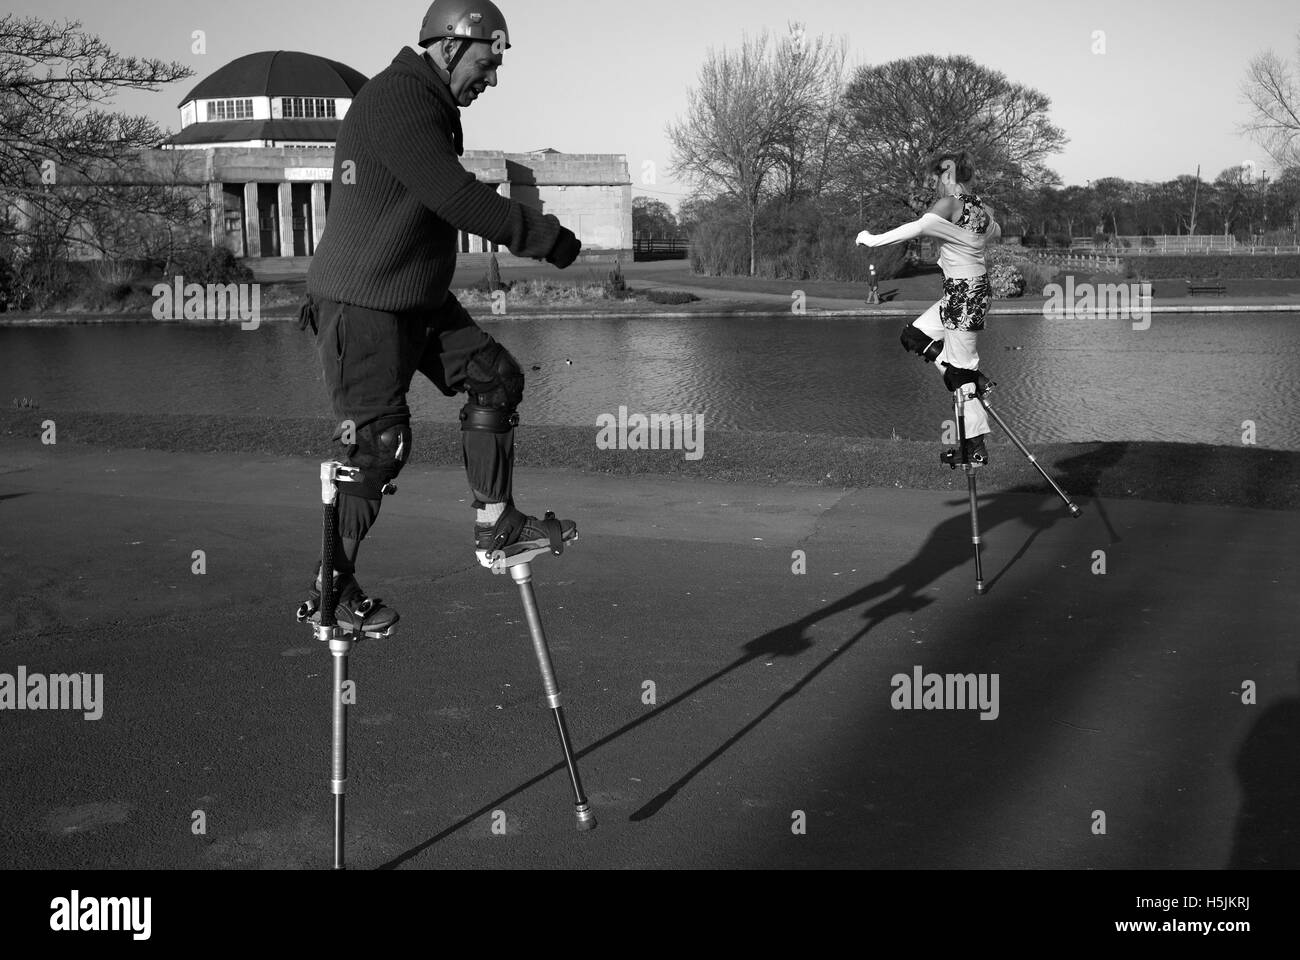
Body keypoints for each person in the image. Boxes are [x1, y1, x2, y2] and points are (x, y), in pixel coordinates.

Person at [297, 0, 581, 633]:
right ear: (449, 46)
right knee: (377, 445)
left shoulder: (431, 103)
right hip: (363, 304)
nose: (493, 78)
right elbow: (454, 196)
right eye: (486, 62)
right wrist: (544, 238)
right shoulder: (398, 98)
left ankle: (497, 524)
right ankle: (331, 590)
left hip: (415, 300)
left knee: (496, 377)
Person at [856, 151, 1001, 464]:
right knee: (913, 336)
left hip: (964, 299)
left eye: (935, 178)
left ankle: (974, 448)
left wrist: (872, 240)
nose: (934, 186)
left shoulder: (950, 204)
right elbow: (995, 231)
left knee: (959, 378)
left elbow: (917, 227)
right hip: (962, 294)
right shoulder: (982, 209)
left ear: (947, 173)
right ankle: (973, 379)